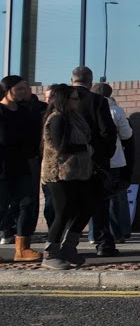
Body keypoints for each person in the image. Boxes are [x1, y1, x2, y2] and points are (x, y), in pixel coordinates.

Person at [40, 84, 95, 271]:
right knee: (63, 211)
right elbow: (60, 146)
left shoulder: (74, 117)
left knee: (86, 207)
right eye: (74, 98)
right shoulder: (57, 119)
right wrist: (84, 149)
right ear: (64, 99)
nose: (77, 101)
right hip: (59, 173)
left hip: (78, 172)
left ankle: (68, 247)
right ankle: (50, 253)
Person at [68, 67, 119, 258]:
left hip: (70, 161)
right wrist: (106, 154)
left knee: (70, 204)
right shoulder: (98, 100)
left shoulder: (61, 101)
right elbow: (108, 131)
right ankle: (103, 243)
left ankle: (67, 244)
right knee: (99, 204)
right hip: (95, 160)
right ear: (91, 82)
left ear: (71, 80)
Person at [0, 76, 44, 262]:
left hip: (22, 165)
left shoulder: (27, 111)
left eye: (26, 88)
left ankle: (22, 248)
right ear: (8, 90)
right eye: (20, 89)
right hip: (2, 167)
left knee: (27, 203)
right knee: (1, 208)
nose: (25, 92)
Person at [92, 83, 135, 244]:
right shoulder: (116, 110)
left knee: (95, 196)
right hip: (114, 158)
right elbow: (127, 134)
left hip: (93, 159)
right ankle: (117, 232)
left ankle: (94, 233)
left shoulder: (85, 107)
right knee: (114, 196)